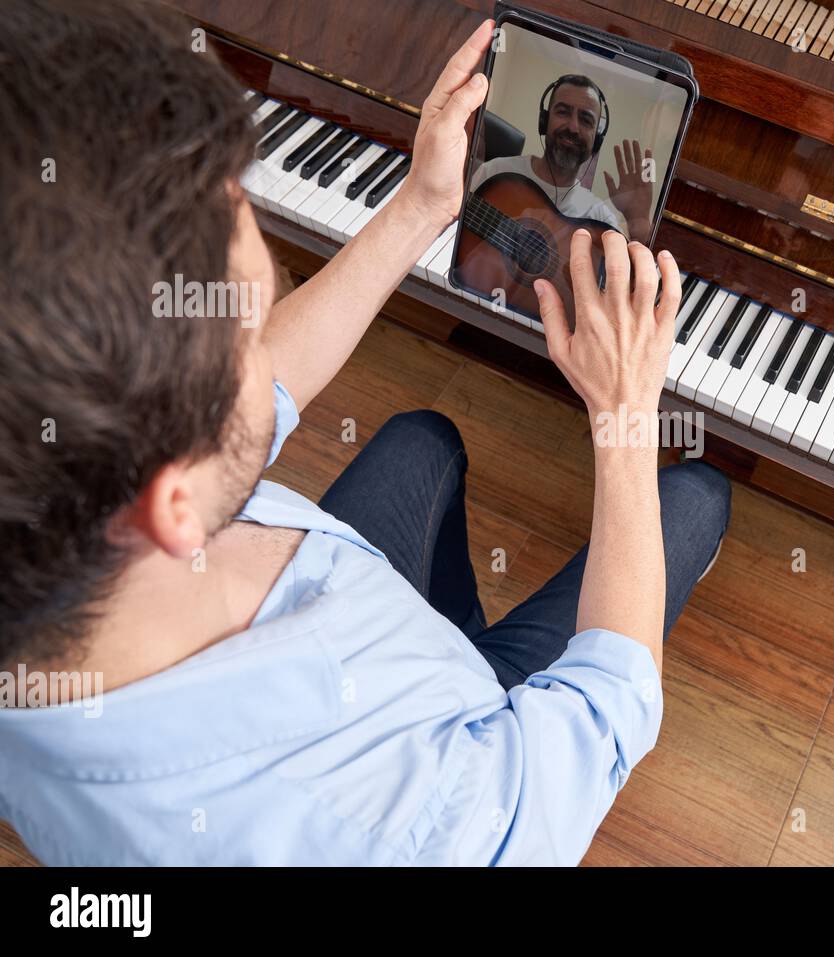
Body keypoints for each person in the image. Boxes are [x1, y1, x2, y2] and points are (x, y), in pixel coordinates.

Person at [0, 0, 729, 865]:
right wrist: (625, 411)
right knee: (695, 497)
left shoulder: (62, 496)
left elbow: (258, 388)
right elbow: (612, 706)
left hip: (362, 627)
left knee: (422, 439)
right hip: (469, 739)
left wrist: (422, 205)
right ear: (172, 502)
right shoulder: (417, 831)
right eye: (243, 333)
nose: (266, 327)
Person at [469, 73, 654, 241]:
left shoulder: (599, 219)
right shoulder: (495, 173)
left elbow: (623, 276)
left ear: (596, 139)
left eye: (586, 120)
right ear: (544, 120)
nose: (573, 127)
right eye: (563, 112)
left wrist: (638, 224)